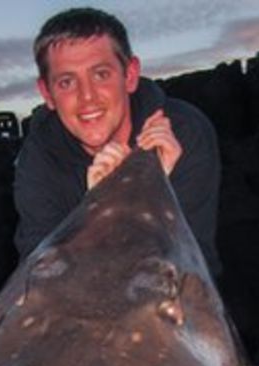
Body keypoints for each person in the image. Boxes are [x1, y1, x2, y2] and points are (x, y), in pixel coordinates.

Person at [13, 7, 221, 276]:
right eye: (66, 82)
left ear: (130, 75)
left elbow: (191, 273)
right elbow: (37, 278)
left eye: (101, 74)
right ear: (48, 94)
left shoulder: (183, 133)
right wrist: (99, 210)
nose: (87, 97)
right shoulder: (37, 160)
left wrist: (153, 190)